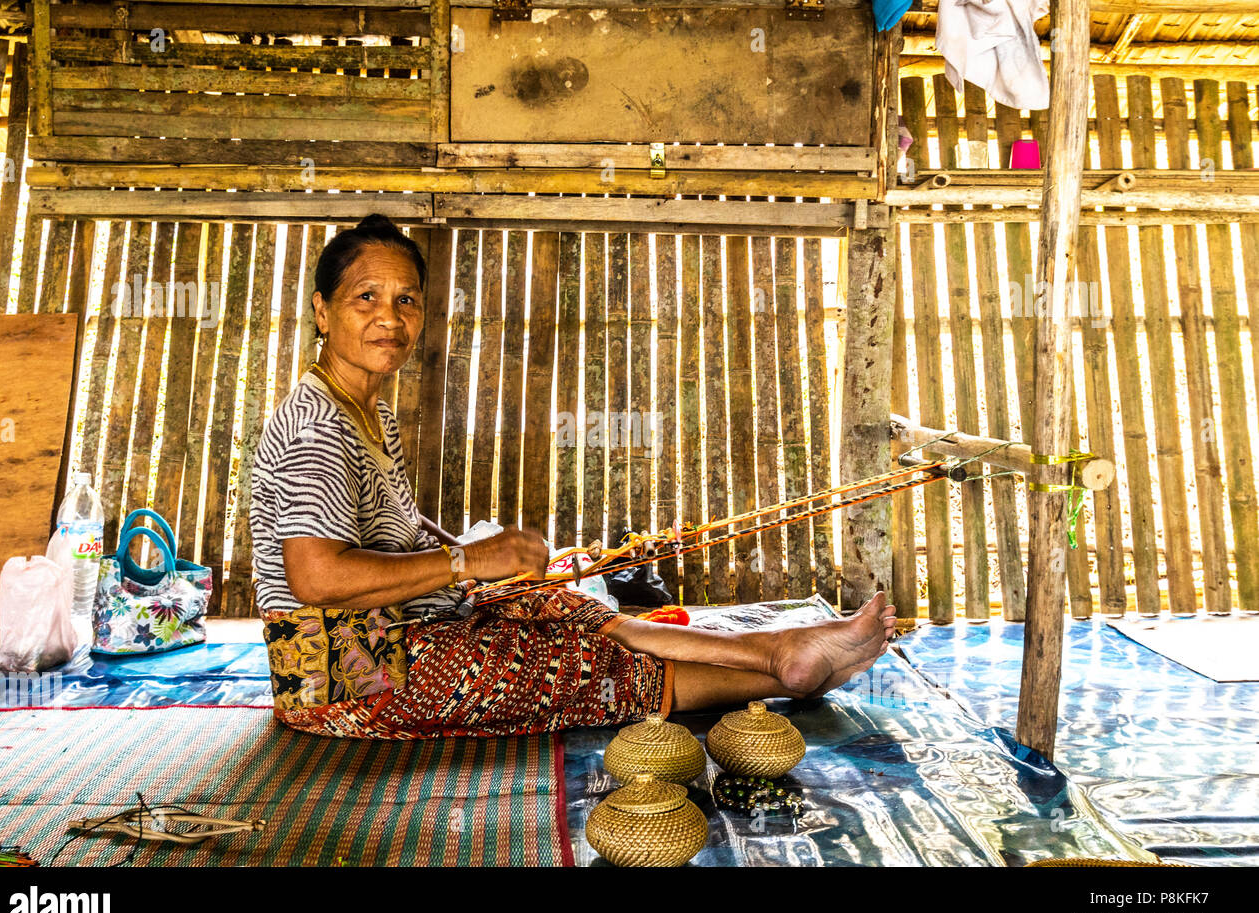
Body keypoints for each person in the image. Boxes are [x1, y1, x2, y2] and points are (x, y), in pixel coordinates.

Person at [249, 214, 897, 740]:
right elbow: (317, 575)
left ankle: (771, 647)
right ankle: (784, 670)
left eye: (406, 300)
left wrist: (482, 561)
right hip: (339, 676)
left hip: (399, 627)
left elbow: (392, 524)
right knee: (570, 663)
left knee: (552, 597)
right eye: (366, 297)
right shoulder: (317, 427)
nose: (390, 318)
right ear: (323, 310)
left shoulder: (365, 408)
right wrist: (463, 562)